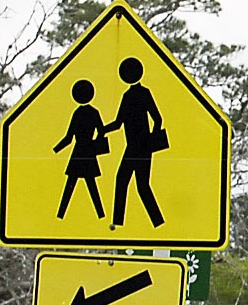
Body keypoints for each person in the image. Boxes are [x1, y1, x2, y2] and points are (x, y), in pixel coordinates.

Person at [105, 56, 166, 229]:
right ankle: (122, 222)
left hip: (140, 148)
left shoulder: (143, 93)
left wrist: (151, 141)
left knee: (136, 184)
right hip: (134, 147)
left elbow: (158, 118)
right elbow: (118, 123)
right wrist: (103, 130)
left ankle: (156, 222)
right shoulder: (128, 95)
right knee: (131, 182)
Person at [52, 79, 108, 219]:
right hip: (88, 152)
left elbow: (69, 138)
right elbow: (101, 131)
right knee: (89, 185)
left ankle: (61, 215)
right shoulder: (94, 112)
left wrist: (55, 150)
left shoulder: (77, 113)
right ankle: (100, 215)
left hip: (79, 152)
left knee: (72, 185)